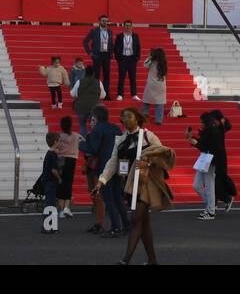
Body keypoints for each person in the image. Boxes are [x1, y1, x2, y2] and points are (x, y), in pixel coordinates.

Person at [95, 107, 172, 264]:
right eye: (123, 117)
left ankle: (126, 260)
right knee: (144, 224)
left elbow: (163, 154)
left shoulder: (148, 136)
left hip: (146, 183)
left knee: (136, 219)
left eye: (129, 116)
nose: (126, 119)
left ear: (137, 118)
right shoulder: (120, 140)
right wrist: (102, 180)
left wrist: (148, 161)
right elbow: (113, 163)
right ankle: (152, 260)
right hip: (130, 185)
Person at [81, 105, 127, 236]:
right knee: (118, 197)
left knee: (108, 198)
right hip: (117, 165)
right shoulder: (115, 128)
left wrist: (81, 144)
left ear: (95, 117)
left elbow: (93, 148)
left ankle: (116, 226)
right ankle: (126, 224)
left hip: (105, 168)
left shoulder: (97, 130)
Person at [185, 112, 220, 219]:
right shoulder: (210, 130)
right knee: (197, 185)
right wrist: (193, 138)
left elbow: (207, 148)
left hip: (210, 160)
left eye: (202, 121)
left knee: (209, 186)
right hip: (205, 158)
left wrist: (194, 141)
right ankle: (211, 205)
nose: (201, 123)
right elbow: (203, 144)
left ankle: (211, 211)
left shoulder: (213, 131)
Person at [209, 108, 237, 211]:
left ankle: (226, 198)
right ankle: (216, 201)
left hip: (219, 158)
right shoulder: (217, 127)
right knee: (216, 180)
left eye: (213, 119)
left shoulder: (220, 128)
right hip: (217, 157)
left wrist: (222, 120)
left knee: (217, 180)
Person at [56, 116, 81, 218]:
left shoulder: (59, 136)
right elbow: (84, 141)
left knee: (61, 183)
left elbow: (55, 148)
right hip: (72, 160)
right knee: (68, 183)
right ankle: (67, 207)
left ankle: (61, 210)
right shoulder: (76, 136)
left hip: (61, 160)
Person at [72, 64, 106, 135]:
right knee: (94, 125)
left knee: (82, 124)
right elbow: (103, 95)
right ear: (94, 73)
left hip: (81, 107)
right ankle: (94, 139)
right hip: (94, 107)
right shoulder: (98, 82)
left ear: (85, 72)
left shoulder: (79, 82)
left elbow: (73, 94)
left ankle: (84, 140)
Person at [83, 15, 115, 91]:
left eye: (106, 21)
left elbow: (111, 43)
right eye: (103, 20)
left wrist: (111, 52)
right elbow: (85, 41)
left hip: (106, 56)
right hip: (97, 55)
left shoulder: (110, 32)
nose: (105, 22)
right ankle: (95, 92)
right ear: (99, 21)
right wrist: (90, 52)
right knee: (96, 75)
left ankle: (106, 94)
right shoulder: (94, 31)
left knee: (106, 75)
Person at [40, 132, 63, 230]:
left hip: (46, 180)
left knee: (50, 203)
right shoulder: (53, 154)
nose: (60, 143)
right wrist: (59, 178)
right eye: (59, 141)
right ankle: (47, 226)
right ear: (55, 142)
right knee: (50, 203)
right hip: (51, 181)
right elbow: (54, 170)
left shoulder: (49, 153)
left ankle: (49, 225)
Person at [114, 19, 142, 100]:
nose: (128, 27)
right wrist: (118, 58)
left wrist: (137, 58)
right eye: (126, 25)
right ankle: (120, 94)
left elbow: (138, 47)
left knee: (132, 77)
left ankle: (134, 94)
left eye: (129, 25)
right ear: (124, 26)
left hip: (132, 59)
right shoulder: (119, 36)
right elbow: (116, 47)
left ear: (132, 27)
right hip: (122, 59)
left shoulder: (135, 36)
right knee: (121, 77)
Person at [143, 47, 168, 125]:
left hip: (151, 84)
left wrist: (149, 57)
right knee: (160, 103)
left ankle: (145, 114)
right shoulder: (163, 63)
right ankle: (158, 120)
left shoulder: (152, 62)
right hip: (161, 85)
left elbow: (145, 65)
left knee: (146, 100)